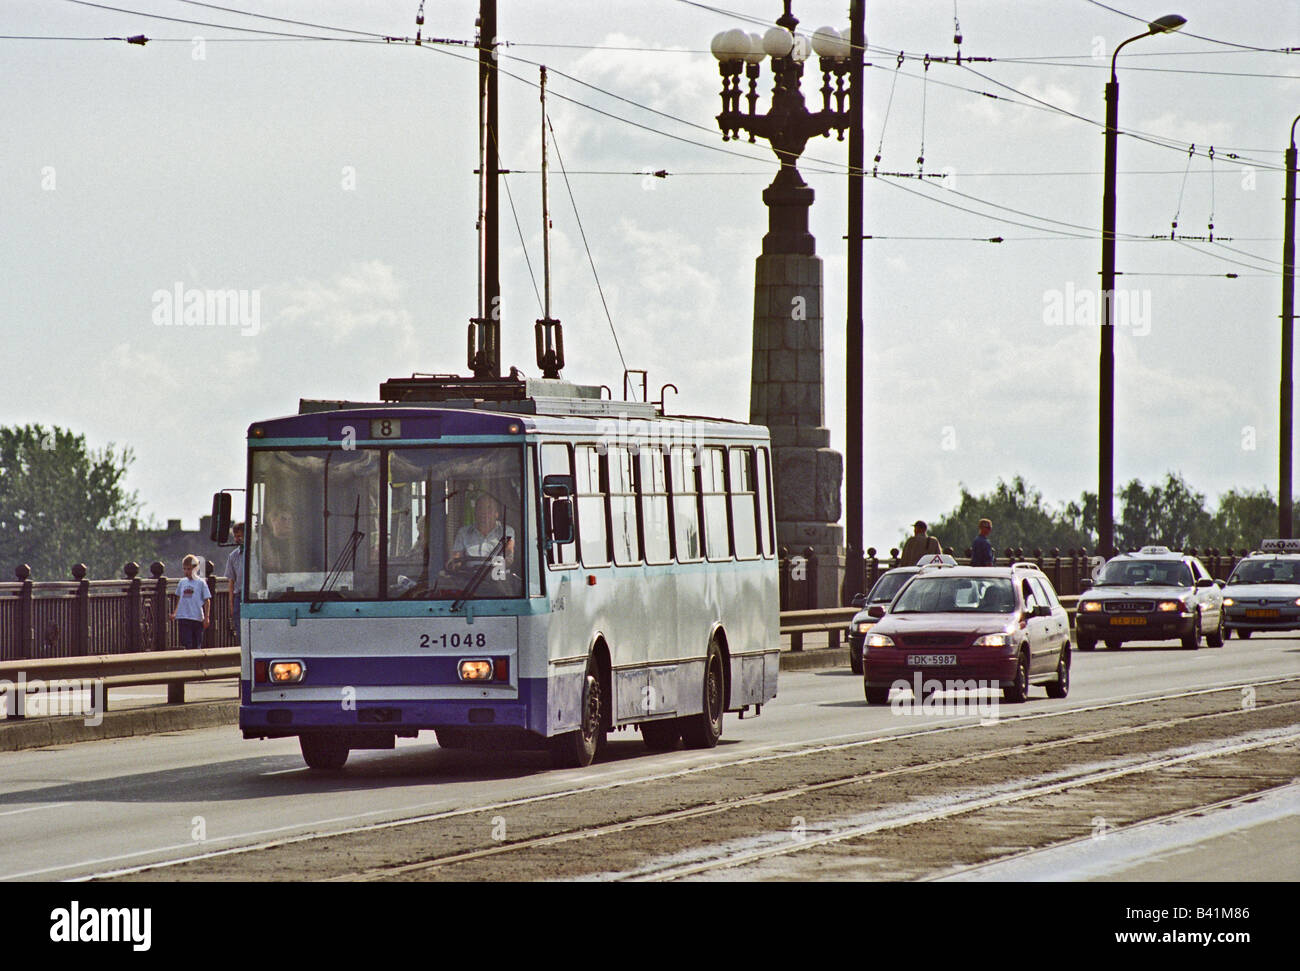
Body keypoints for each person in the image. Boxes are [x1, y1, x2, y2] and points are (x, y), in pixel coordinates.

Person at [447, 494, 515, 571]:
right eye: (480, 508)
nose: (484, 512)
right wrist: (454, 564)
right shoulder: (463, 532)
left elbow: (509, 554)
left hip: (498, 578)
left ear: (496, 514)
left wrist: (500, 565)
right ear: (475, 512)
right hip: (470, 578)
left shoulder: (506, 531)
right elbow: (457, 557)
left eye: (489, 508)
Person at [171, 554, 211, 650]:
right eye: (184, 569)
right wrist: (175, 613)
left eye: (189, 569)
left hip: (196, 618)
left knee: (196, 644)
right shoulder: (182, 582)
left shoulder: (201, 583)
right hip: (183, 617)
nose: (186, 572)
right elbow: (178, 598)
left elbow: (207, 600)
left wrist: (206, 617)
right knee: (186, 642)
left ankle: (196, 663)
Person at [225, 522, 244, 640]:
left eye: (240, 536)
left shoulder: (257, 552)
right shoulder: (233, 556)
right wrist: (231, 604)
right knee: (239, 627)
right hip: (239, 595)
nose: (237, 539)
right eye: (236, 537)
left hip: (255, 595)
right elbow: (231, 581)